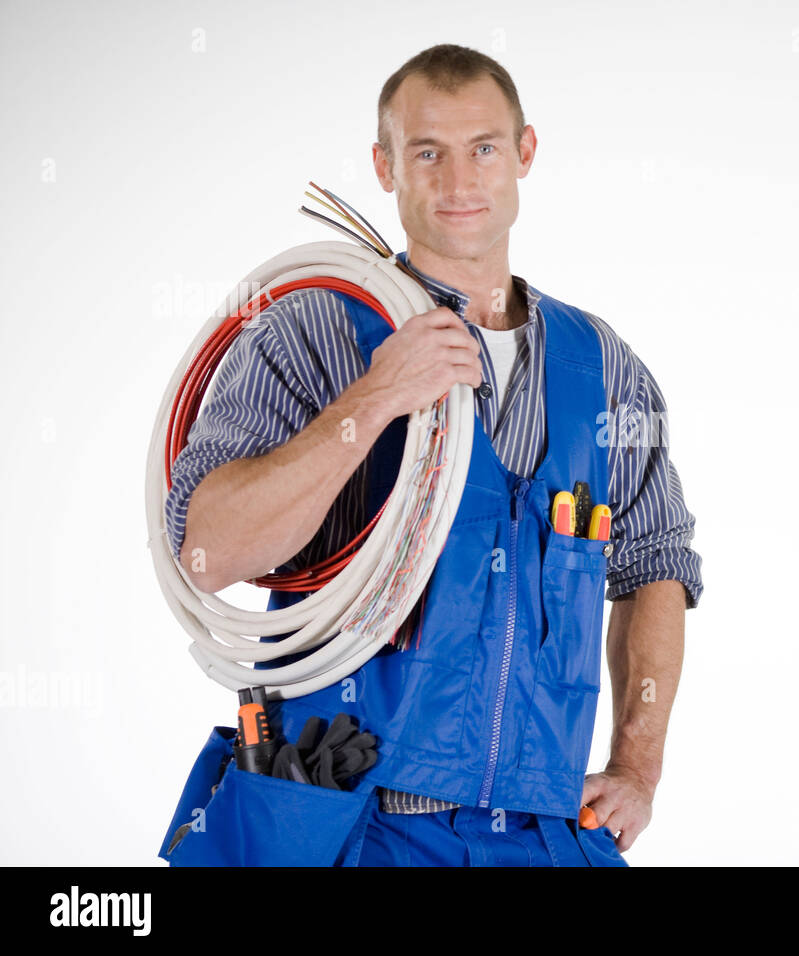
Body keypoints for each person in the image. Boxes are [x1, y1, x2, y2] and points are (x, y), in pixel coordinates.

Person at [157, 44, 703, 867]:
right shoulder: (315, 330)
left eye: (483, 148)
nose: (458, 182)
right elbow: (208, 551)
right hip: (349, 819)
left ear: (524, 153)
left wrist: (638, 767)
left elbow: (655, 563)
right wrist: (374, 399)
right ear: (384, 165)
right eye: (426, 152)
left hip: (544, 830)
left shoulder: (605, 369)